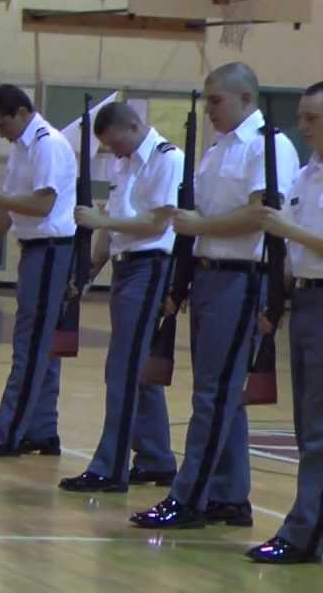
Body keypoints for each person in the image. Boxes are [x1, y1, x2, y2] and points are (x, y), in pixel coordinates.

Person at [131, 62, 300, 529]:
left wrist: (199, 228)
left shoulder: (269, 147)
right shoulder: (219, 149)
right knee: (222, 394)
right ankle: (229, 494)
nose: (210, 111)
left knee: (212, 395)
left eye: (217, 101)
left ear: (246, 99)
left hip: (240, 277)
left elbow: (259, 215)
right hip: (208, 276)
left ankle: (188, 498)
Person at [58, 102, 180, 493]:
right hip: (124, 267)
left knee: (123, 368)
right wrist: (88, 272)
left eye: (118, 144)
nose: (116, 153)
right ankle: (156, 457)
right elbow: (108, 229)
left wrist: (103, 222)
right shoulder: (123, 163)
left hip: (151, 265)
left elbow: (158, 221)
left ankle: (110, 466)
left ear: (134, 124)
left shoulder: (167, 158)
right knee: (137, 368)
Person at [0, 84, 76, 457]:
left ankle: (7, 432)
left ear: (23, 113)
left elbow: (42, 204)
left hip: (52, 250)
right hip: (35, 252)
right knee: (44, 347)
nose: (0, 132)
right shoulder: (22, 149)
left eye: (3, 124)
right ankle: (42, 429)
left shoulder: (48, 144)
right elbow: (7, 212)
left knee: (31, 345)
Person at [247, 81, 323, 564]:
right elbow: (293, 252)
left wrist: (285, 228)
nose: (303, 126)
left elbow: (296, 235)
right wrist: (275, 303)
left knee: (318, 430)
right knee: (306, 425)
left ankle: (303, 533)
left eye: (312, 117)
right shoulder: (309, 174)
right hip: (306, 301)